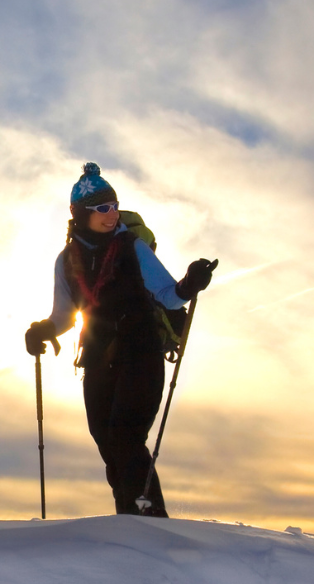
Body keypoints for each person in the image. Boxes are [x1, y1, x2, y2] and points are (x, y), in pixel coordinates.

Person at [24, 163, 216, 517]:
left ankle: (148, 520)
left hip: (141, 353)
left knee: (126, 437)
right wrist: (43, 331)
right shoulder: (67, 261)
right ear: (79, 214)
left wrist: (190, 283)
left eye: (113, 206)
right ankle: (129, 520)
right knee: (107, 443)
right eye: (101, 209)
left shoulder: (132, 247)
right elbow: (65, 314)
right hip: (97, 359)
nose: (111, 215)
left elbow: (168, 295)